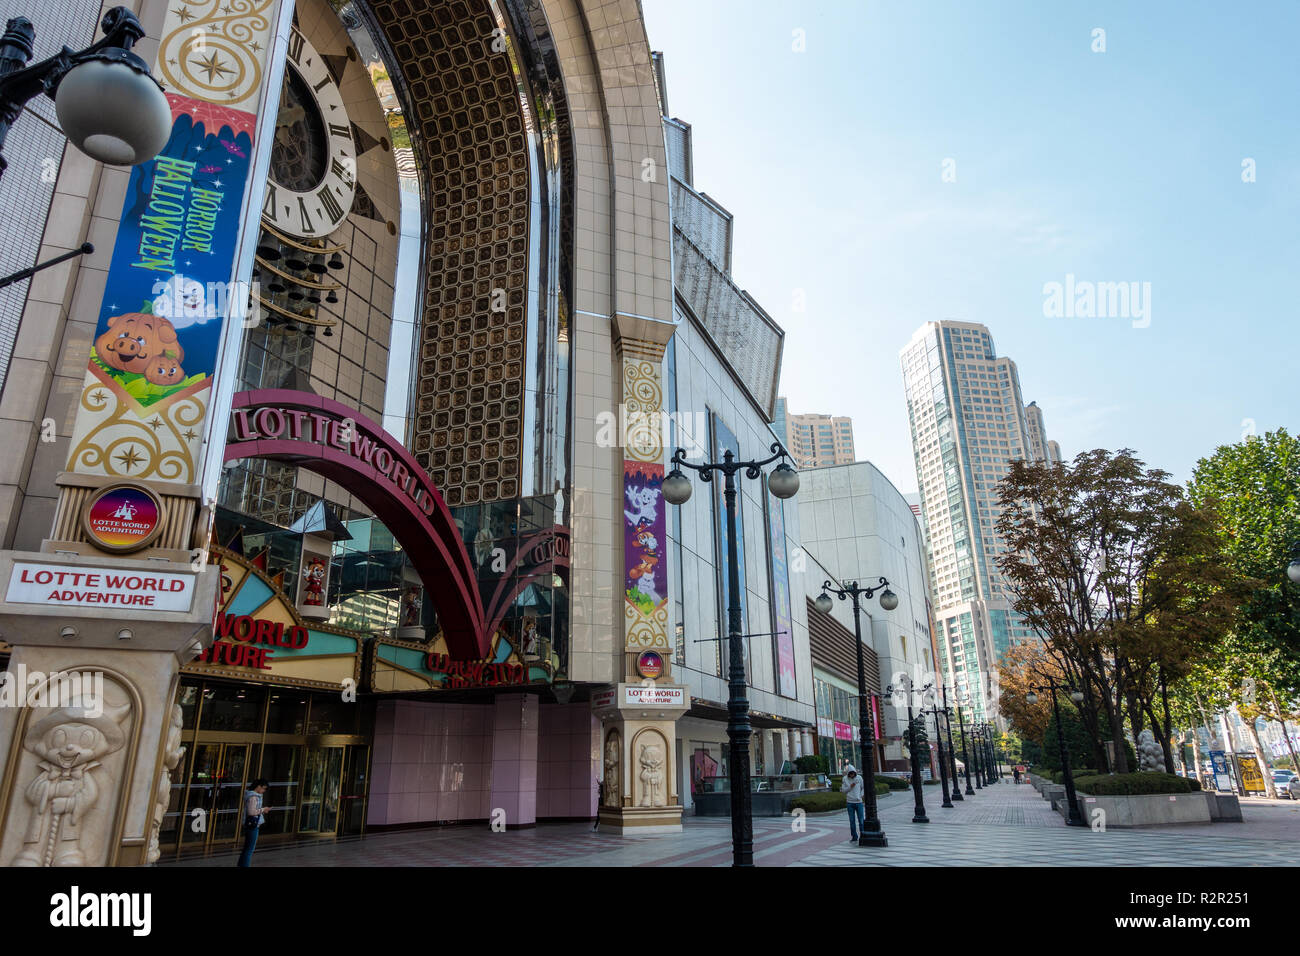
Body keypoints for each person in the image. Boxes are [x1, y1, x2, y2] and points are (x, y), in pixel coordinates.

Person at [237, 778, 269, 867]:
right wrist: (263, 810)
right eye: (263, 788)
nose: (264, 791)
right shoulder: (253, 797)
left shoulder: (252, 795)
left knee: (247, 849)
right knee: (249, 849)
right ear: (258, 786)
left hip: (251, 824)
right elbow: (251, 812)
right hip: (252, 824)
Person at [842, 765, 865, 843]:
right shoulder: (845, 779)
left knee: (861, 820)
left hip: (859, 802)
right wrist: (850, 786)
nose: (852, 775)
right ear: (848, 774)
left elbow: (863, 788)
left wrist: (860, 796)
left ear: (855, 773)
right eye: (850, 774)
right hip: (850, 802)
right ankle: (854, 836)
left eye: (853, 774)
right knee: (852, 821)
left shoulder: (859, 778)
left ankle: (863, 835)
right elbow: (844, 790)